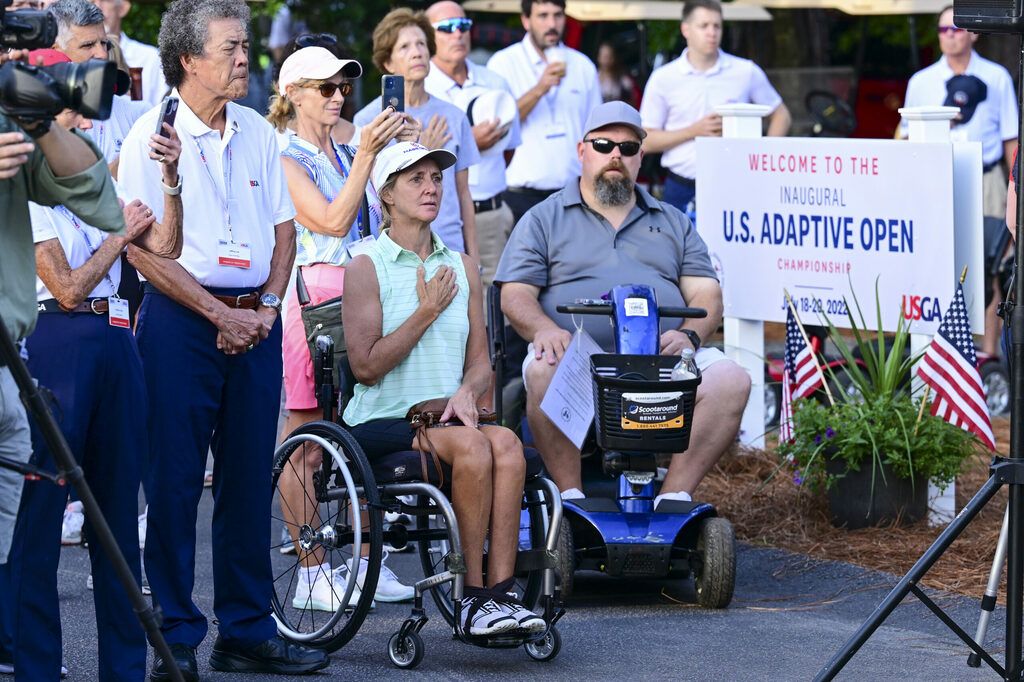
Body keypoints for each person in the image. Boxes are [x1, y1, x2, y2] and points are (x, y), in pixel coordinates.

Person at [116, 0, 327, 678]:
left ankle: (245, 629)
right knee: (174, 483)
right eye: (232, 47)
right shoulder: (149, 136)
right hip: (181, 324)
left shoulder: (259, 131)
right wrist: (220, 313)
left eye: (244, 45)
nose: (245, 58)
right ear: (189, 60)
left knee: (244, 483)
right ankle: (175, 636)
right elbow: (145, 253)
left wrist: (265, 307)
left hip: (256, 321)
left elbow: (285, 232)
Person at [6, 52, 183, 679]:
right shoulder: (20, 176)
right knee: (40, 521)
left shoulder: (92, 170)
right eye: (62, 104)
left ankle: (125, 671)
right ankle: (35, 670)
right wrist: (118, 236)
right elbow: (70, 285)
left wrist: (169, 182)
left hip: (113, 342)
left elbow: (163, 246)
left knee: (114, 523)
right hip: (56, 339)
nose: (77, 116)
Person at [497, 101, 751, 508]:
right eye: (603, 144)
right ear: (582, 151)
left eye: (628, 148)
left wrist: (689, 335)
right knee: (543, 369)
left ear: (639, 159)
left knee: (732, 379)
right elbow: (515, 293)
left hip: (663, 357)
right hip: (578, 356)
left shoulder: (672, 220)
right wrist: (544, 328)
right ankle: (571, 497)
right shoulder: (544, 217)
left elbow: (707, 293)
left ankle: (674, 497)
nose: (616, 155)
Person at [342, 141, 545, 636]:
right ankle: (473, 598)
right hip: (383, 417)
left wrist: (465, 393)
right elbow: (366, 367)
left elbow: (481, 365)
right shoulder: (365, 263)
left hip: (448, 415)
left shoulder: (461, 265)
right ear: (385, 194)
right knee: (476, 447)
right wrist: (426, 312)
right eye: (416, 179)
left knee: (509, 445)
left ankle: (501, 593)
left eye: (436, 178)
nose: (432, 187)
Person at [267, 45, 415, 607]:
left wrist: (407, 155)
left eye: (342, 87)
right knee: (307, 436)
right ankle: (310, 570)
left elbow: (388, 214)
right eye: (325, 87)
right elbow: (330, 219)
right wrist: (367, 157)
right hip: (310, 304)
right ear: (293, 93)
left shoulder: (351, 148)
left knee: (364, 426)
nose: (338, 96)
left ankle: (368, 563)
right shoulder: (284, 157)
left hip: (362, 297)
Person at [901, 5, 1018, 356]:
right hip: (934, 182)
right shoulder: (921, 82)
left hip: (986, 180)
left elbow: (1012, 139)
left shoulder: (996, 76)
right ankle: (941, 349)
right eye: (942, 31)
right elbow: (903, 139)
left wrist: (1016, 186)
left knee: (992, 265)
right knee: (936, 260)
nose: (950, 35)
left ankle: (988, 351)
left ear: (972, 32)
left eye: (955, 28)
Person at [640, 0, 791, 215]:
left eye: (717, 26)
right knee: (677, 249)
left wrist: (762, 158)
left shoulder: (744, 71)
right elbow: (645, 139)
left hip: (736, 183)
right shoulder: (663, 78)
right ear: (686, 29)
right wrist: (693, 131)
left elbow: (781, 115)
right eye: (704, 26)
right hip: (680, 185)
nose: (712, 32)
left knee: (739, 250)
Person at [354, 8, 480, 257]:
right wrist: (423, 151)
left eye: (421, 44)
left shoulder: (454, 116)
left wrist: (473, 257)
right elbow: (367, 195)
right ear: (387, 62)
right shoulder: (368, 121)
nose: (417, 52)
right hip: (394, 251)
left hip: (450, 245)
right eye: (405, 47)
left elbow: (464, 194)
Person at [424, 0, 522, 289]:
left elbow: (510, 148)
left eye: (463, 26)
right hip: (440, 220)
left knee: (493, 307)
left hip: (490, 214)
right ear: (428, 36)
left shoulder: (496, 82)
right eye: (447, 28)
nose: (458, 34)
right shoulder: (420, 87)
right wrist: (470, 145)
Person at [486, 0, 601, 225]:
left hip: (573, 193)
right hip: (518, 195)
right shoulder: (503, 63)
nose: (552, 23)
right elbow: (496, 127)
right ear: (526, 20)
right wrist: (540, 88)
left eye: (558, 15)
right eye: (543, 16)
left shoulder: (582, 65)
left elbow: (594, 130)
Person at [92, 0, 169, 107]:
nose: (97, 6)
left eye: (107, 1)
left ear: (123, 8)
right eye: (91, 1)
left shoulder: (150, 57)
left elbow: (162, 109)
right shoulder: (76, 55)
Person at [597, 41, 637, 106]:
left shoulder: (622, 80)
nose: (606, 60)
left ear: (613, 58)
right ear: (599, 57)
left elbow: (632, 101)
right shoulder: (593, 77)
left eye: (608, 57)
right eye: (604, 57)